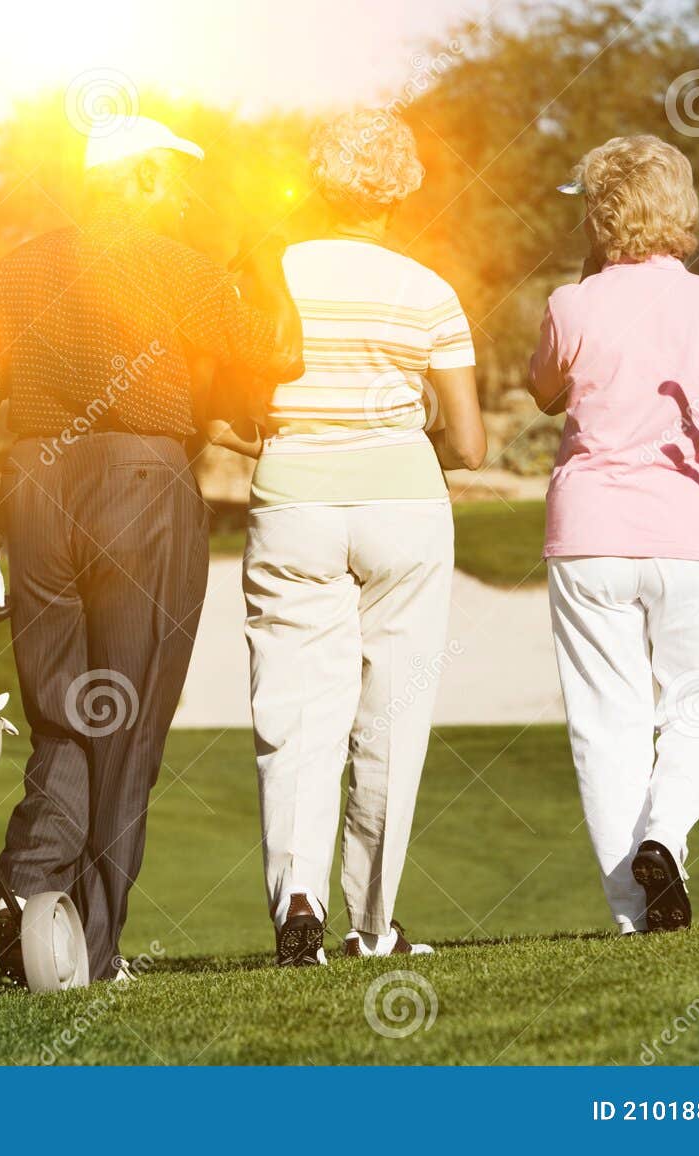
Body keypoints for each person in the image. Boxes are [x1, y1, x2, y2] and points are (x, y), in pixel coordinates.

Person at [0, 115, 304, 981]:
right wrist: (271, 262)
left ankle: (30, 914)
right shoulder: (177, 265)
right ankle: (95, 950)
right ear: (140, 177)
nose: (183, 196)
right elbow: (282, 353)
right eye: (174, 178)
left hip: (34, 493)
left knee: (63, 713)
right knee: (127, 722)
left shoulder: (10, 270)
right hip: (140, 489)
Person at [220, 110, 485, 966]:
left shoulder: (269, 277)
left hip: (292, 503)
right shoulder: (428, 290)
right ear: (401, 189)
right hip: (404, 507)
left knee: (296, 711)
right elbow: (471, 445)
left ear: (317, 179)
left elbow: (228, 417)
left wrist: (291, 433)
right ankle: (372, 925)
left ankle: (297, 899)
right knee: (391, 718)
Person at [528, 135, 699, 935]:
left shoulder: (570, 303)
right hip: (691, 531)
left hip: (589, 536)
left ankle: (632, 913)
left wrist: (590, 282)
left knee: (605, 724)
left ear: (599, 215)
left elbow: (544, 390)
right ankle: (664, 839)